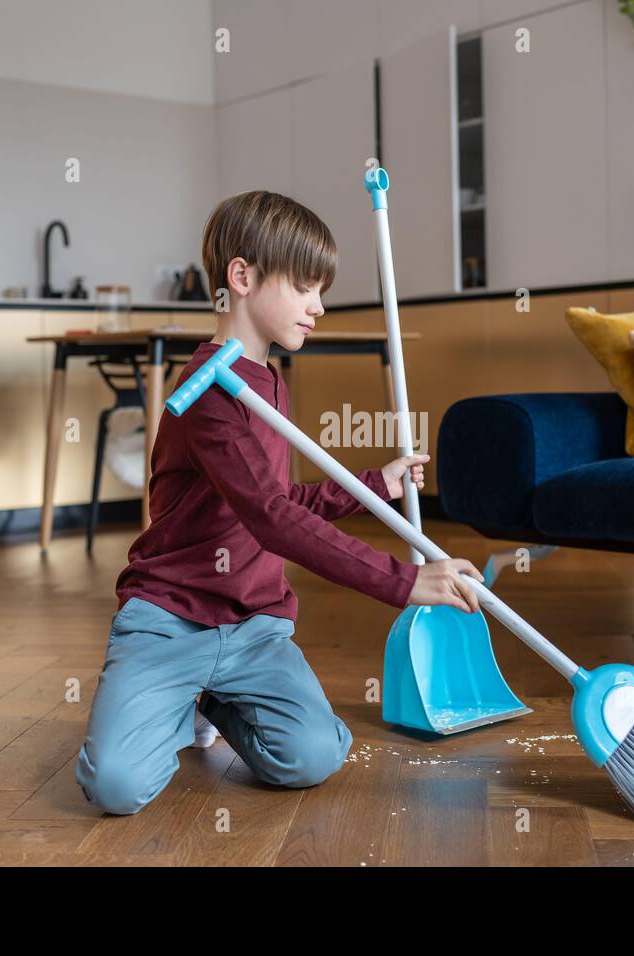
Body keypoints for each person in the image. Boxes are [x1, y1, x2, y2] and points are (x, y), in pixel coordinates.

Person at [75, 190, 483, 815]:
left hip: (252, 626)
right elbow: (270, 515)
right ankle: (174, 695)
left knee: (312, 757)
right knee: (116, 788)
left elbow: (278, 497)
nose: (318, 307)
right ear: (242, 277)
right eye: (304, 288)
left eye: (321, 290)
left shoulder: (267, 378)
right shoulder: (211, 390)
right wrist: (404, 580)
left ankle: (217, 698)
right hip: (169, 618)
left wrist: (377, 486)